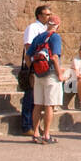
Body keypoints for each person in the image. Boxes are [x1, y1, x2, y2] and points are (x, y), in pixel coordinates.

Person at [28, 15, 66, 143]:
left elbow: (28, 56)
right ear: (57, 26)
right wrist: (59, 73)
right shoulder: (55, 37)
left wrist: (33, 70)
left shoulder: (39, 37)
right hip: (50, 74)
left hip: (38, 75)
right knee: (49, 105)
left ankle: (36, 133)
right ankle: (46, 135)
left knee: (37, 104)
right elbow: (55, 57)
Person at [20, 4, 52, 134]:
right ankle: (27, 125)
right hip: (34, 65)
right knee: (31, 96)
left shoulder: (46, 29)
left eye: (50, 14)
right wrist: (31, 65)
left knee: (39, 98)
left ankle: (36, 125)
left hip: (43, 66)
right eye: (47, 14)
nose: (49, 17)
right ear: (39, 15)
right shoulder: (33, 28)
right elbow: (28, 46)